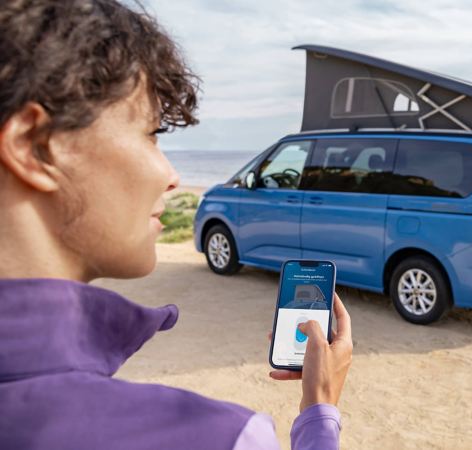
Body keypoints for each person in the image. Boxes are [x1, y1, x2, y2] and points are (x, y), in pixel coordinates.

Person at [0, 1, 352, 449]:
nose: (171, 176)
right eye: (151, 133)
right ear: (36, 147)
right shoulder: (219, 437)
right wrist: (319, 413)